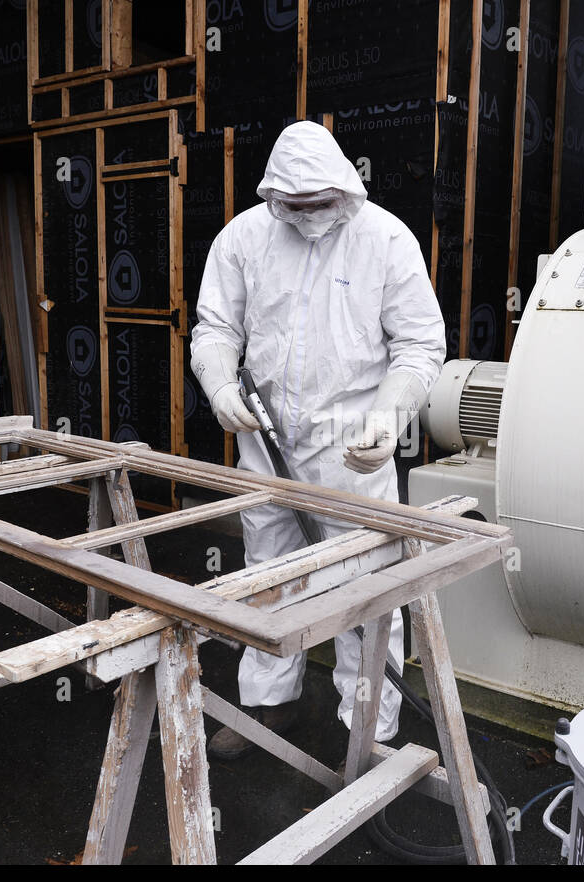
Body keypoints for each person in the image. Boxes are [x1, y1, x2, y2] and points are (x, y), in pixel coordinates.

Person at [191, 120, 446, 759]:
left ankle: (366, 730)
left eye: (320, 204)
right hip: (267, 445)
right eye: (295, 205)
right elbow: (215, 326)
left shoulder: (386, 241)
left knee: (367, 589)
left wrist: (390, 417)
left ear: (344, 190)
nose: (308, 215)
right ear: (274, 196)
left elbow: (419, 345)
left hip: (352, 453)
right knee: (269, 579)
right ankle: (267, 706)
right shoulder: (243, 240)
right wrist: (222, 390)